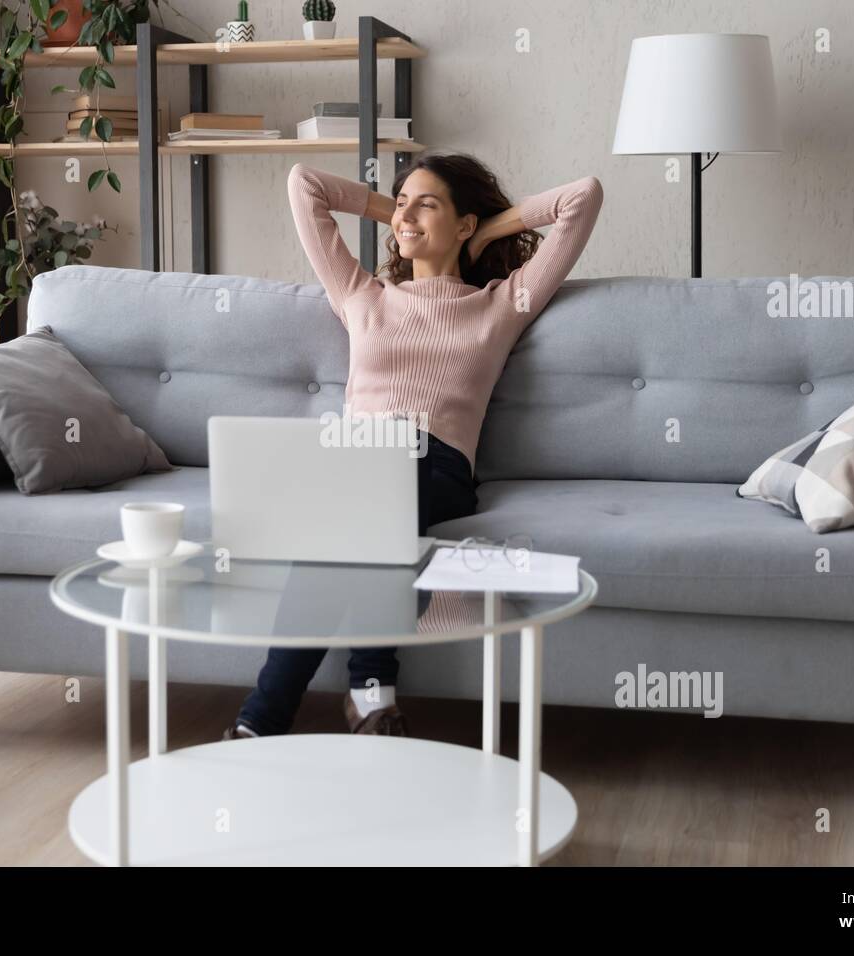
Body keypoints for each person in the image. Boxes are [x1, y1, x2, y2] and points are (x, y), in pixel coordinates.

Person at [224, 152, 604, 739]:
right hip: (353, 465)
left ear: (465, 224)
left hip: (435, 465)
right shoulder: (362, 295)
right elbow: (305, 186)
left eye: (429, 205)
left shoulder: (501, 305)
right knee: (358, 512)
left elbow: (582, 197)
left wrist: (491, 224)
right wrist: (401, 214)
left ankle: (264, 718)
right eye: (401, 204)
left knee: (363, 506)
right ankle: (370, 699)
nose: (406, 216)